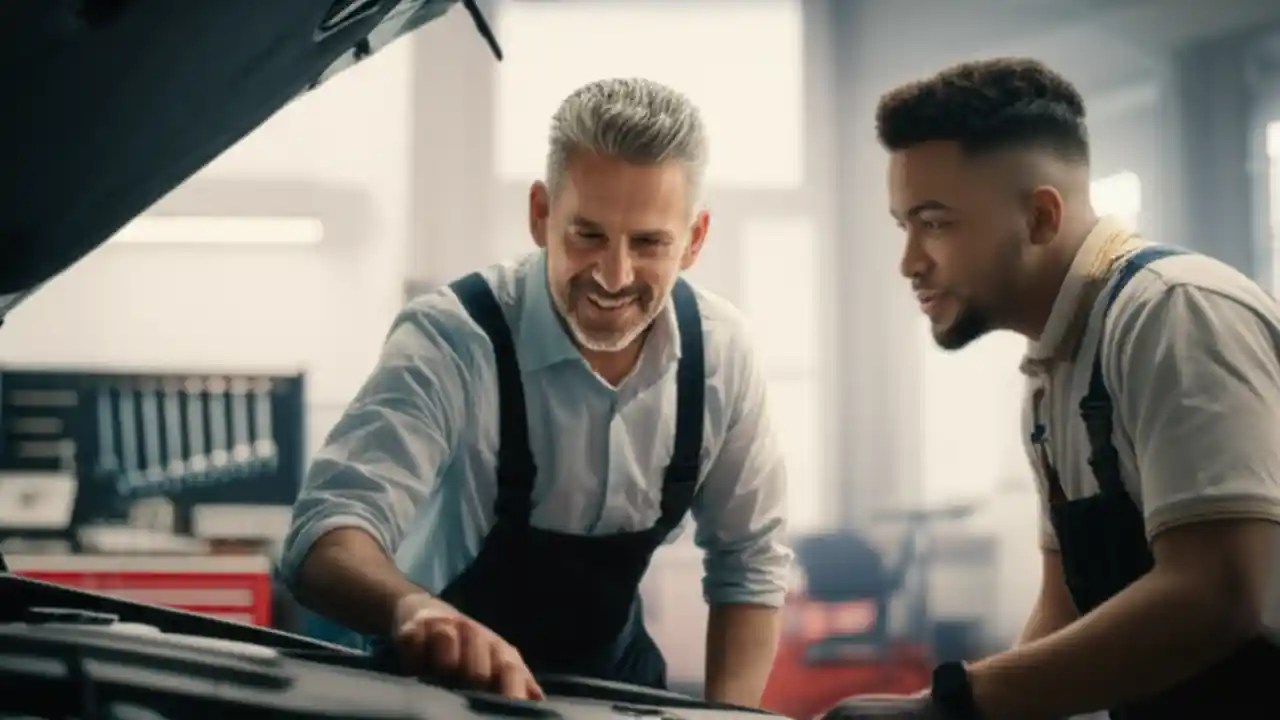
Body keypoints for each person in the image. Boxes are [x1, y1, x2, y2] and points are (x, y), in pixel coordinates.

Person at [279, 77, 792, 706]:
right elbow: (324, 536)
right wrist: (413, 611)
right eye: (588, 234)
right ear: (541, 215)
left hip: (613, 689)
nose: (614, 275)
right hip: (441, 694)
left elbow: (749, 564)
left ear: (695, 239)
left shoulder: (720, 354)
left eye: (650, 242)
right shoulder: (453, 339)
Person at [823, 57, 1280, 719]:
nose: (910, 262)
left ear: (1040, 217)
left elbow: (1218, 594)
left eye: (937, 222)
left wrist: (954, 706)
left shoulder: (1172, 312)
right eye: (904, 226)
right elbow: (1063, 609)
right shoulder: (1053, 372)